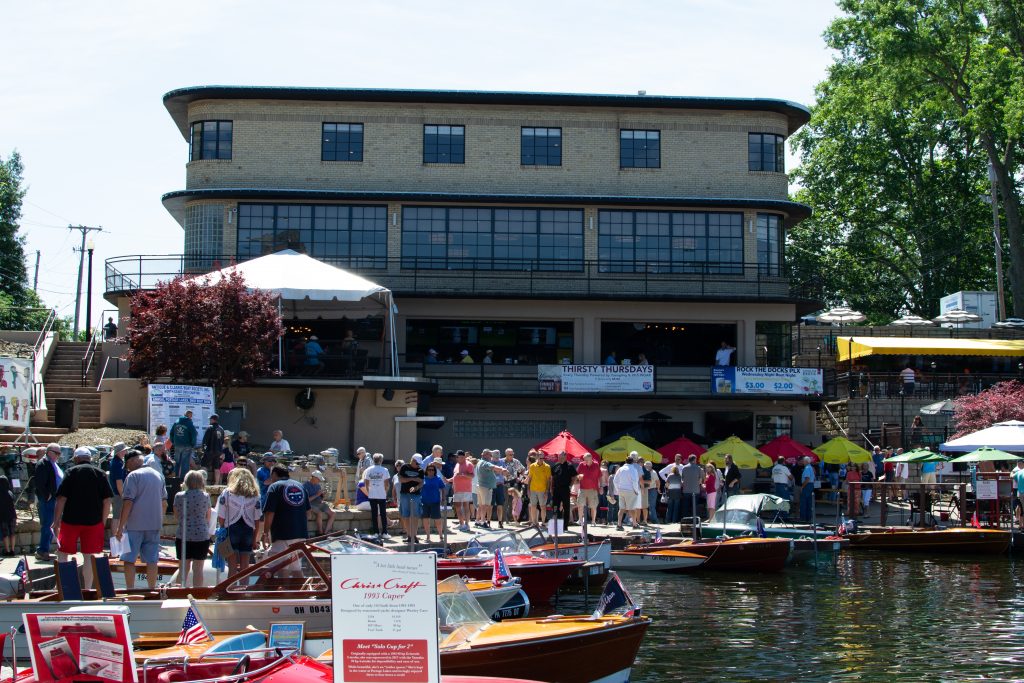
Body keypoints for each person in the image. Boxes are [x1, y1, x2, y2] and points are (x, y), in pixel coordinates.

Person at [52, 447, 112, 588]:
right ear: (89, 458)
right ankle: (88, 589)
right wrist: (102, 522)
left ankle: (63, 587)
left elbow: (61, 499)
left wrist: (56, 522)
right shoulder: (100, 473)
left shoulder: (70, 472)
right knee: (89, 557)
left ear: (76, 459)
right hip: (94, 522)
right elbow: (107, 500)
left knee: (63, 553)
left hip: (70, 521)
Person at [117, 449, 167, 590]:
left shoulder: (133, 476)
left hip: (134, 525)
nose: (127, 469)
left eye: (127, 465)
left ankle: (130, 590)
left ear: (132, 461)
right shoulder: (158, 475)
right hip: (154, 525)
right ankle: (152, 590)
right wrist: (159, 521)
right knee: (152, 561)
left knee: (129, 560)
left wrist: (120, 527)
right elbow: (164, 503)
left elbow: (128, 503)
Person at [217, 467, 262, 576]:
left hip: (230, 530)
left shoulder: (227, 493)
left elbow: (221, 515)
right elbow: (257, 519)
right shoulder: (255, 495)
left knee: (232, 565)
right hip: (248, 531)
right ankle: (244, 589)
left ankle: (230, 590)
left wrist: (221, 530)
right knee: (245, 567)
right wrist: (255, 539)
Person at [262, 465, 311, 556]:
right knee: (295, 568)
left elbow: (269, 513)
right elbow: (308, 514)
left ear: (274, 474)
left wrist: (265, 533)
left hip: (282, 534)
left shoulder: (274, 487)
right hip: (301, 534)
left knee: (278, 567)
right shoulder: (301, 486)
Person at [173, 470, 211, 587]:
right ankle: (197, 595)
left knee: (183, 569)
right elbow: (208, 517)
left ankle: (179, 594)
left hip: (183, 534)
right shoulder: (205, 496)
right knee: (198, 569)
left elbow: (177, 516)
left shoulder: (179, 496)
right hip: (201, 535)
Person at [34, 443, 64, 560]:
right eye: (56, 453)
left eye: (59, 453)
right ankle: (42, 550)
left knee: (51, 524)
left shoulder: (52, 463)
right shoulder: (43, 463)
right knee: (47, 525)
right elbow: (40, 483)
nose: (58, 455)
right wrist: (47, 495)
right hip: (48, 500)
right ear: (49, 452)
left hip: (55, 499)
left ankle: (44, 549)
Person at [361, 454, 390, 539]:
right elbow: (387, 484)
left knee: (374, 514)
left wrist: (369, 491)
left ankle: (376, 532)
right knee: (383, 514)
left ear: (373, 460)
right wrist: (385, 492)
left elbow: (366, 482)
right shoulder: (385, 470)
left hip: (372, 495)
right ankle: (384, 532)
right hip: (381, 495)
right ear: (381, 460)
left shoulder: (368, 470)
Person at [398, 455, 424, 543]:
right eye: (417, 463)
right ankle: (409, 535)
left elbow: (421, 482)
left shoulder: (420, 470)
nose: (418, 465)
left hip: (416, 495)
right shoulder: (404, 467)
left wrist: (416, 488)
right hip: (404, 494)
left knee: (415, 515)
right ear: (412, 460)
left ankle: (414, 535)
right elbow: (401, 479)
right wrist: (413, 478)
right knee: (405, 515)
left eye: (419, 464)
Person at [550, 451, 577, 531]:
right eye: (559, 457)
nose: (559, 458)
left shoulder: (570, 466)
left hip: (565, 489)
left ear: (565, 457)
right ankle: (557, 525)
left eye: (561, 457)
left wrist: (570, 486)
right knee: (555, 507)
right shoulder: (555, 465)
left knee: (566, 507)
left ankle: (565, 526)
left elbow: (574, 477)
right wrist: (551, 488)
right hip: (556, 489)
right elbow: (552, 478)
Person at [613, 455, 641, 530]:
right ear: (633, 462)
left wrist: (618, 490)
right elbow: (635, 481)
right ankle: (634, 524)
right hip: (630, 490)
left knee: (621, 509)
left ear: (625, 461)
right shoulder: (633, 469)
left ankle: (619, 525)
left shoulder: (620, 469)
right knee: (632, 509)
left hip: (621, 490)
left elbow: (615, 480)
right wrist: (636, 491)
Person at [420, 462, 446, 542]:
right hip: (424, 502)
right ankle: (428, 536)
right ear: (426, 470)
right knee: (425, 519)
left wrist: (443, 498)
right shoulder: (423, 478)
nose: (430, 471)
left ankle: (441, 536)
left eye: (432, 470)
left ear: (434, 471)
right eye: (429, 469)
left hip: (435, 501)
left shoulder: (438, 478)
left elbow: (443, 488)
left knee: (437, 519)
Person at [304, 471, 335, 535]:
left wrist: (323, 496)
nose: (320, 481)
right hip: (310, 504)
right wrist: (317, 495)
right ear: (314, 478)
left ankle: (326, 532)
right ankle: (320, 532)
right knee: (319, 513)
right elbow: (305, 501)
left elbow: (320, 500)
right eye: (319, 479)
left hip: (318, 503)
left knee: (332, 514)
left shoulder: (318, 486)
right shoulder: (305, 486)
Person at [170, 410, 198, 481]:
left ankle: (175, 479)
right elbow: (194, 434)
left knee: (177, 462)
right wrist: (193, 444)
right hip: (187, 446)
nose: (191, 417)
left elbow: (171, 433)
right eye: (191, 416)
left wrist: (173, 442)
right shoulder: (189, 423)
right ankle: (183, 481)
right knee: (185, 463)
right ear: (190, 416)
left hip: (177, 445)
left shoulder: (176, 422)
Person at [526, 452, 552, 527]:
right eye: (540, 458)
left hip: (543, 490)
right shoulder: (532, 466)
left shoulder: (547, 466)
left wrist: (547, 491)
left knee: (543, 507)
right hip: (533, 489)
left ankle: (543, 523)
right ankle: (534, 522)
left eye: (543, 458)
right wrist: (528, 489)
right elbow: (530, 478)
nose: (542, 459)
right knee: (533, 506)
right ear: (537, 457)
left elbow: (548, 480)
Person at [107, 442, 128, 536]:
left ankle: (116, 538)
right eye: (125, 450)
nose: (126, 451)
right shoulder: (117, 463)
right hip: (118, 494)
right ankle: (115, 539)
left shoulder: (116, 462)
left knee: (117, 516)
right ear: (121, 451)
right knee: (117, 517)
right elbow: (119, 482)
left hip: (115, 492)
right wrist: (123, 495)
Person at [576, 452, 601, 525]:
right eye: (584, 459)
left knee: (593, 506)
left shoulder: (596, 465)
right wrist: (578, 476)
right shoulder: (581, 464)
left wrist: (601, 486)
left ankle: (593, 521)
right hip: (582, 488)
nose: (585, 461)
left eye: (586, 460)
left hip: (593, 489)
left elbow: (599, 476)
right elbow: (577, 475)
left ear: (591, 458)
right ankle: (580, 520)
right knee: (580, 505)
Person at [659, 455, 685, 523]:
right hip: (677, 490)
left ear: (681, 460)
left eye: (679, 459)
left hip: (672, 490)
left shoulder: (682, 467)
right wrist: (667, 480)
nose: (677, 460)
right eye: (676, 459)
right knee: (674, 506)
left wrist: (668, 481)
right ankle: (673, 521)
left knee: (671, 506)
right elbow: (661, 472)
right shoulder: (671, 466)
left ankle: (669, 521)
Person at [678, 454, 704, 522]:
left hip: (686, 490)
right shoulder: (698, 468)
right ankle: (694, 521)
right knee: (694, 507)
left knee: (685, 507)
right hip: (695, 490)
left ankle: (685, 520)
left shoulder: (684, 468)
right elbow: (700, 480)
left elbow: (682, 479)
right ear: (694, 460)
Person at [641, 460, 659, 524]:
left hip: (652, 490)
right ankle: (646, 519)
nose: (647, 467)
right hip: (646, 489)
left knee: (651, 506)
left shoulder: (653, 472)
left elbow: (657, 481)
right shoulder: (644, 471)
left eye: (649, 466)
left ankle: (654, 520)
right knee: (645, 506)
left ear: (651, 466)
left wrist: (658, 488)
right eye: (646, 466)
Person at [799, 456, 816, 523]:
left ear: (806, 461)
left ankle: (803, 518)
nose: (802, 462)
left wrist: (802, 487)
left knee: (804, 502)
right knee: (809, 502)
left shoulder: (807, 468)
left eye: (803, 461)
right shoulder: (811, 468)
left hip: (807, 486)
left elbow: (807, 479)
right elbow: (813, 479)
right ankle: (808, 518)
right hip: (810, 485)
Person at [1011, 459, 1024, 531]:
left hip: (1020, 493)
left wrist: (1012, 472)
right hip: (1021, 493)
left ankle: (1021, 526)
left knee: (1021, 509)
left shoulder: (1018, 472)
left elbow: (1011, 476)